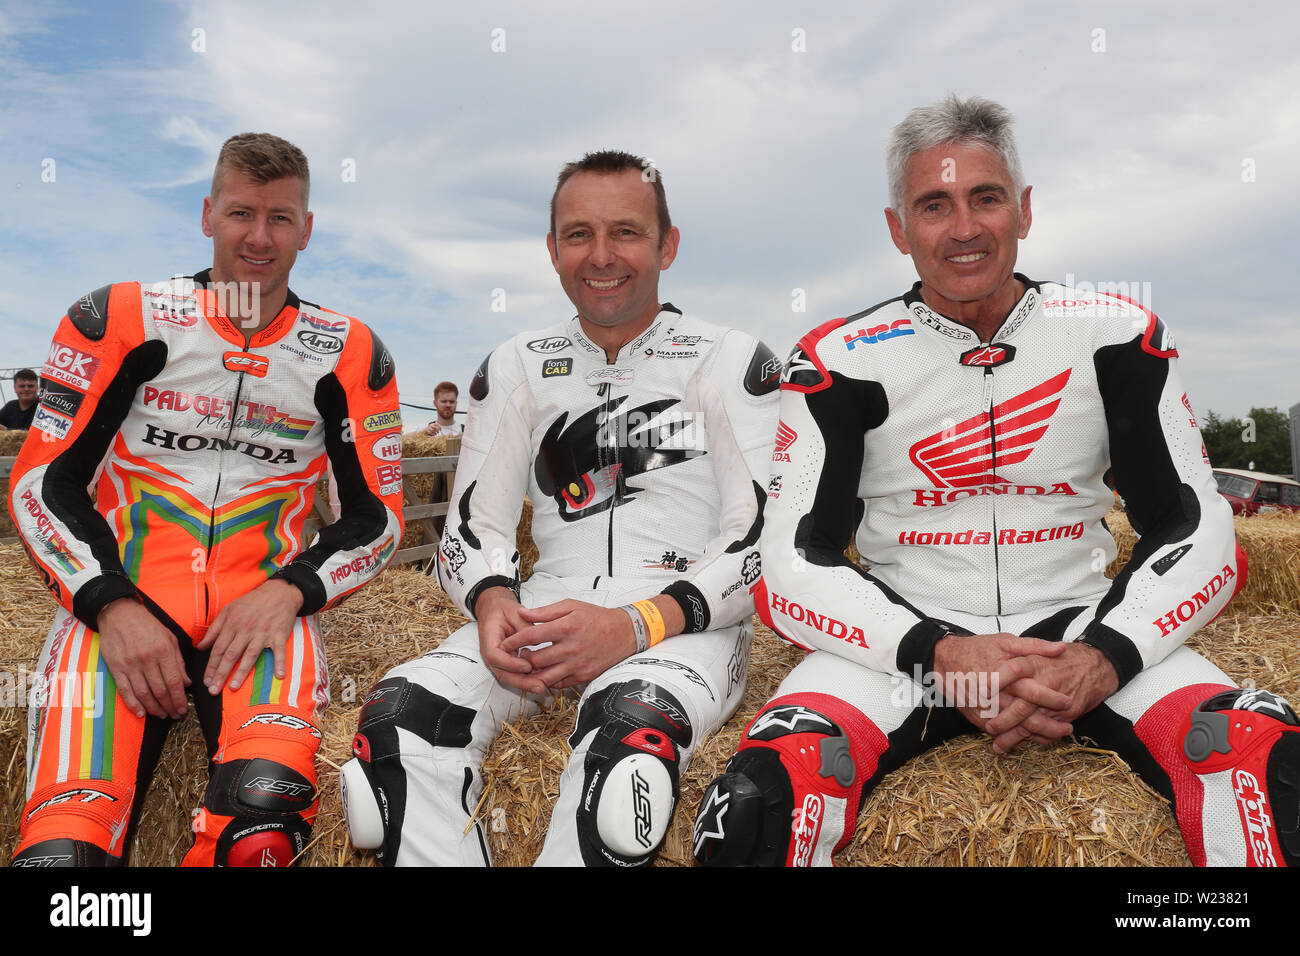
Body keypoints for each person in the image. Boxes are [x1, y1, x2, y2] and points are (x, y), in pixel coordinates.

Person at [693, 95, 1300, 868]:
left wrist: (1106, 656)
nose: (965, 227)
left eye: (986, 198)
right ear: (897, 228)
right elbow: (788, 565)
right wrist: (943, 655)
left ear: (1025, 209)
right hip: (904, 643)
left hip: (1081, 628)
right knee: (761, 799)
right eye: (934, 205)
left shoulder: (1118, 334)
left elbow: (1201, 532)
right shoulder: (837, 356)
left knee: (1260, 756)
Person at [340, 150, 781, 866]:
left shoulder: (729, 359)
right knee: (395, 728)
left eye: (626, 233)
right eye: (578, 235)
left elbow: (761, 539)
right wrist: (490, 605)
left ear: (667, 244)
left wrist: (637, 624)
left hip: (685, 627)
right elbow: (473, 528)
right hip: (546, 612)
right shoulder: (515, 363)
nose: (601, 256)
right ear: (552, 250)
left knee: (624, 747)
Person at [7, 132, 404, 867]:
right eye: (240, 214)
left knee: (263, 833)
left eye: (281, 218)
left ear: (307, 229)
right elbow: (40, 483)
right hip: (120, 608)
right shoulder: (118, 317)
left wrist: (290, 593)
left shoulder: (350, 351)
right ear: (206, 215)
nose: (259, 236)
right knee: (62, 863)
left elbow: (376, 520)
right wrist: (110, 604)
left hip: (262, 618)